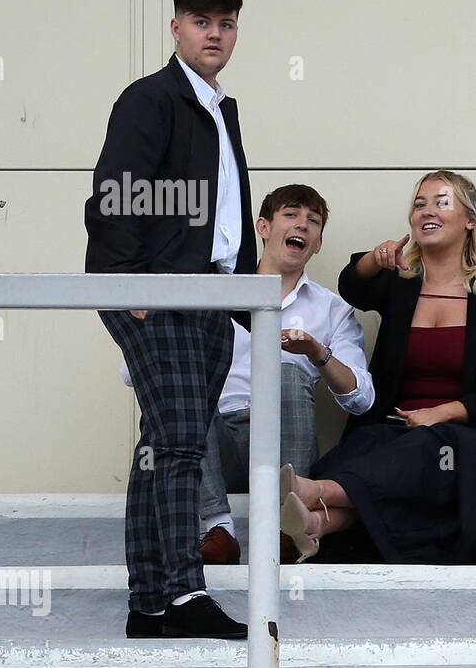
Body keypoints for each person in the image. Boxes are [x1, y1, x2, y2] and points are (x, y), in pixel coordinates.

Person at [85, 0, 254, 639]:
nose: (215, 34)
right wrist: (134, 288)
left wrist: (242, 293)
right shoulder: (151, 98)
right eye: (201, 21)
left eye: (226, 23)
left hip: (211, 296)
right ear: (176, 27)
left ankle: (150, 604)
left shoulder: (220, 107)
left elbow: (229, 210)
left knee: (162, 445)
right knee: (182, 442)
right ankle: (185, 594)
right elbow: (114, 195)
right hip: (159, 292)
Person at [278, 171, 476, 565]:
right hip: (390, 430)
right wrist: (374, 259)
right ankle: (315, 524)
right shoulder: (400, 285)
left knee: (427, 452)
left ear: (469, 220)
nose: (427, 211)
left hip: (465, 441)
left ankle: (318, 492)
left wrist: (441, 413)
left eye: (441, 202)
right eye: (419, 204)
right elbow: (352, 287)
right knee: (370, 454)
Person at [119, 185, 375, 564]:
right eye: (291, 215)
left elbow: (362, 398)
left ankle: (287, 528)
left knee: (287, 372)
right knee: (189, 390)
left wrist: (317, 353)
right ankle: (220, 530)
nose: (302, 225)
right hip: (213, 446)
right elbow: (133, 372)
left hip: (282, 448)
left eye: (313, 221)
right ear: (263, 227)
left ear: (318, 243)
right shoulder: (215, 294)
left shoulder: (331, 309)